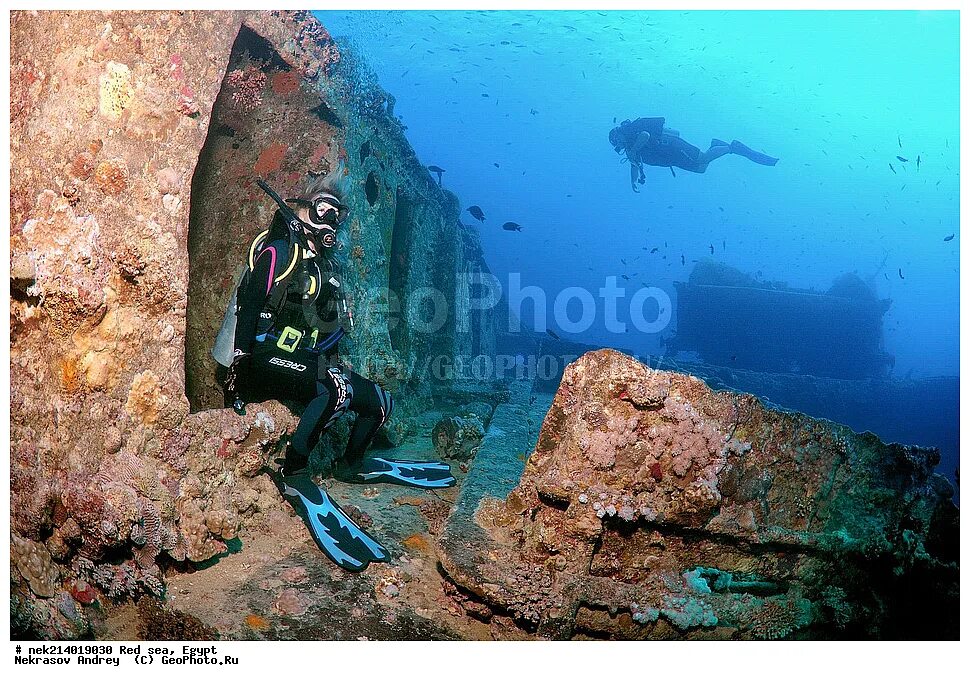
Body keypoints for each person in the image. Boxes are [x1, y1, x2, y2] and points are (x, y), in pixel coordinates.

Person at [216, 170, 455, 572]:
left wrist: (335, 361)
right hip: (259, 358)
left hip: (301, 361)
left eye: (337, 215)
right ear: (302, 210)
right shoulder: (278, 252)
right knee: (336, 390)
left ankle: (352, 463)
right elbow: (251, 302)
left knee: (380, 402)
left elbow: (329, 333)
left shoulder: (326, 270)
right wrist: (239, 363)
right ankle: (294, 472)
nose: (330, 222)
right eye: (323, 210)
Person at [609, 117, 778, 191]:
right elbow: (634, 165)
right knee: (700, 169)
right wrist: (633, 181)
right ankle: (716, 146)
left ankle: (732, 147)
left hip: (673, 147)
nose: (618, 146)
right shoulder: (630, 149)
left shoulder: (630, 134)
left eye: (616, 142)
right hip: (671, 158)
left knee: (703, 158)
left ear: (618, 135)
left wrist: (633, 150)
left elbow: (645, 135)